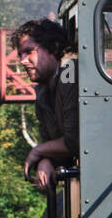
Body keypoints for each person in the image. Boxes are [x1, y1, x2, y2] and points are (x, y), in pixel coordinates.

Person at [12, 19, 78, 192]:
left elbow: (75, 141)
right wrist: (45, 160)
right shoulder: (43, 91)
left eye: (29, 52)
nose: (22, 61)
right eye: (20, 54)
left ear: (54, 48)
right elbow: (53, 144)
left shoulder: (70, 73)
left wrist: (37, 152)